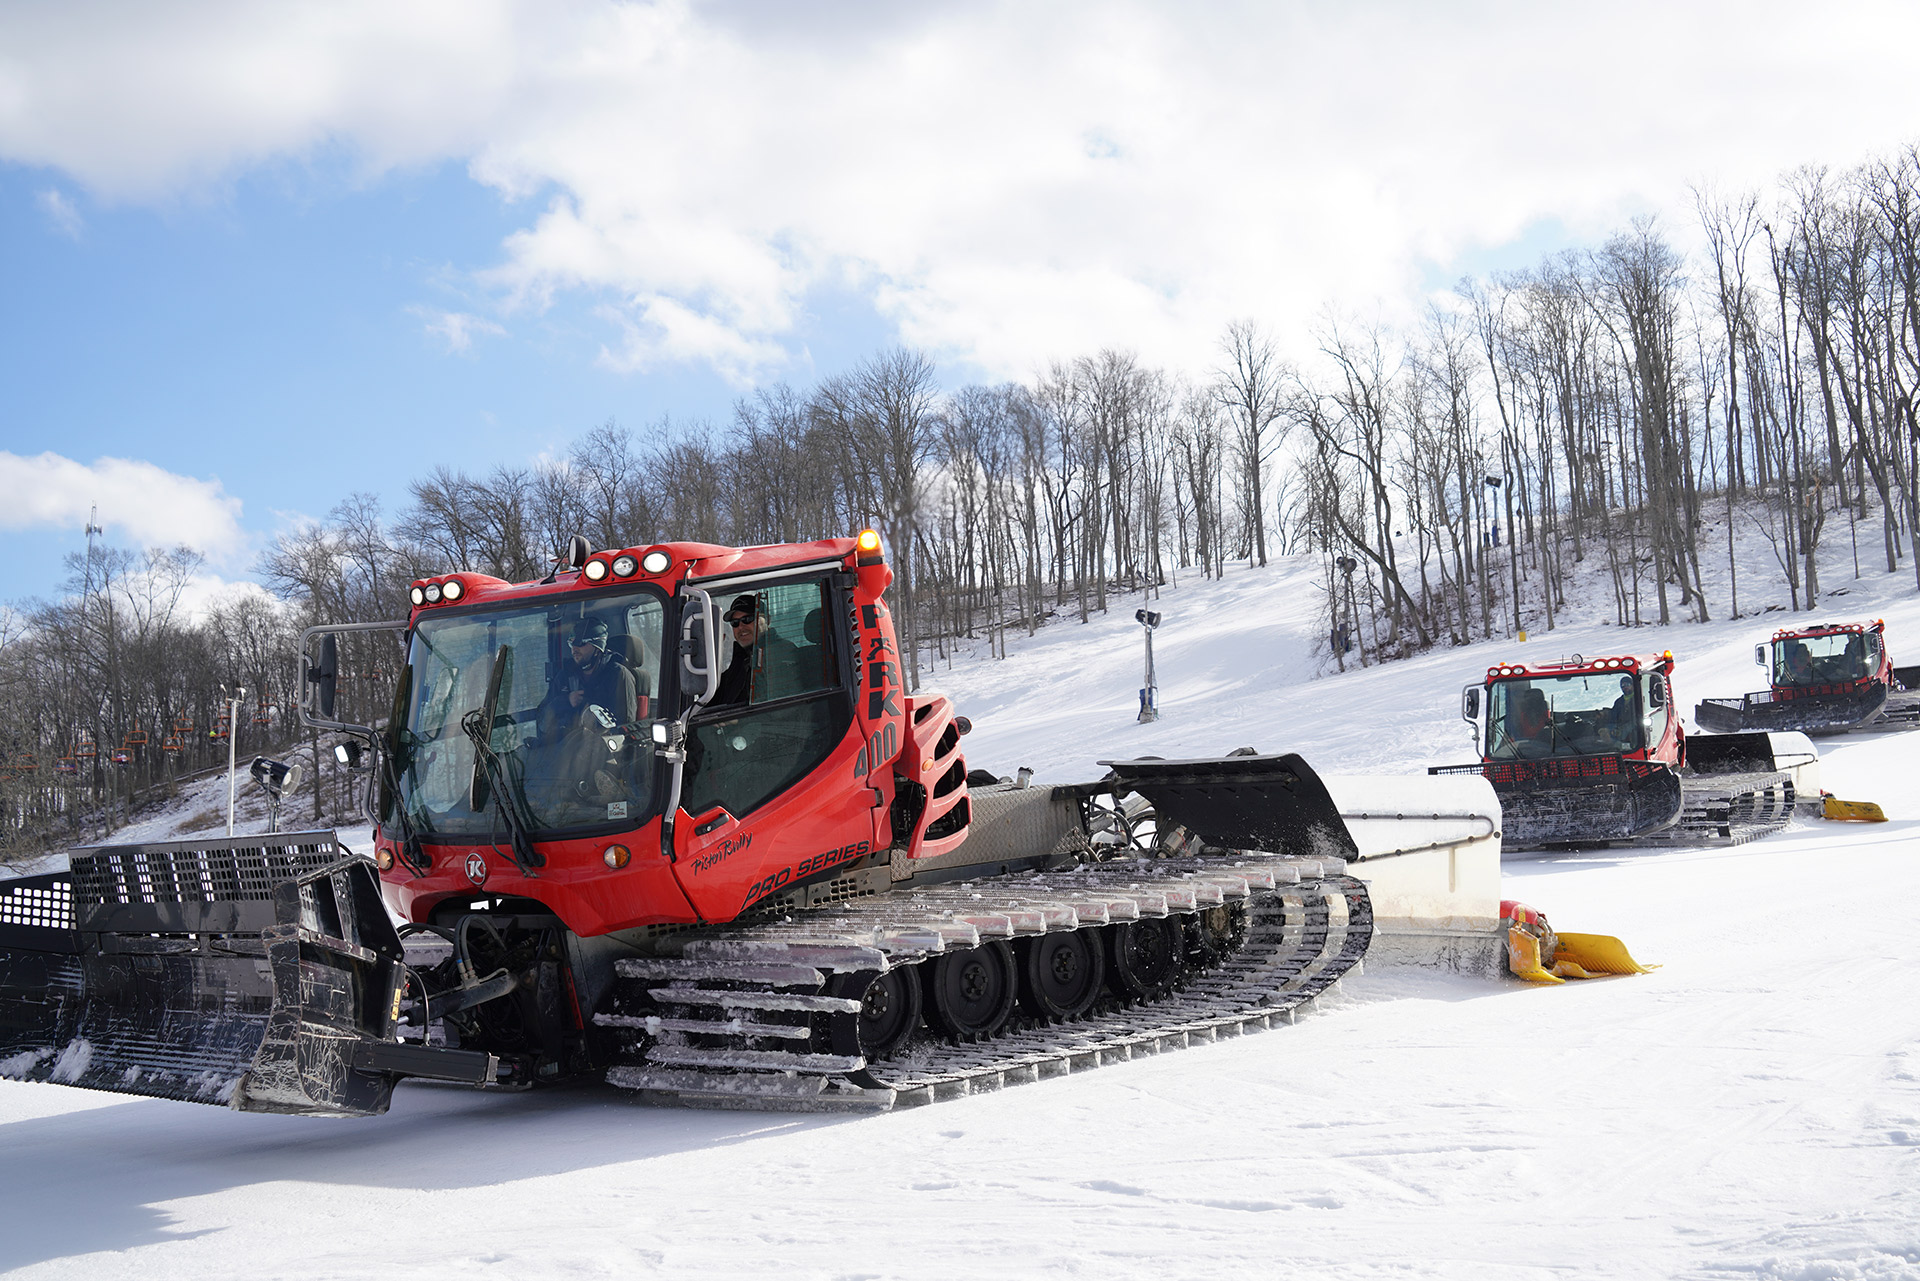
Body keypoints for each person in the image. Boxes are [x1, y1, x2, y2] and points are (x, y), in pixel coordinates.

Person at [713, 593, 809, 707]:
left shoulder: (779, 653)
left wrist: (736, 719)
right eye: (735, 623)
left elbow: (781, 709)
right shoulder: (743, 657)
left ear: (767, 620)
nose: (741, 627)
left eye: (747, 619)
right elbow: (718, 697)